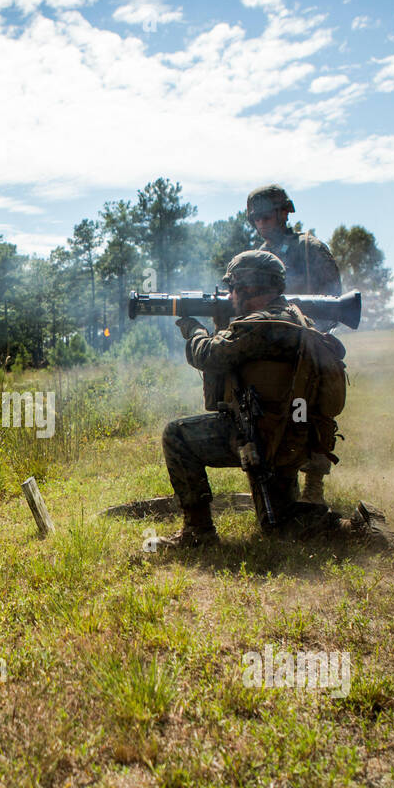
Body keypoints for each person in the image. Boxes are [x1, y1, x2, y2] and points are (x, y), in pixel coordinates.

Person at [158, 251, 314, 548]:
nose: (229, 295)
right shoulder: (290, 315)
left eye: (233, 288)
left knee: (176, 434)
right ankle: (353, 526)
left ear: (249, 287)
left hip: (262, 436)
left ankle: (197, 532)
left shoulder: (262, 325)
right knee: (278, 525)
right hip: (286, 434)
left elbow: (210, 355)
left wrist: (196, 331)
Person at [246, 184, 342, 506]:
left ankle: (314, 485)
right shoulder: (256, 259)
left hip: (307, 343)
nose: (261, 223)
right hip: (270, 347)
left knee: (314, 411)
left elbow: (333, 300)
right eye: (255, 217)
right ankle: (273, 483)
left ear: (284, 212)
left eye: (266, 215)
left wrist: (313, 336)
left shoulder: (309, 249)